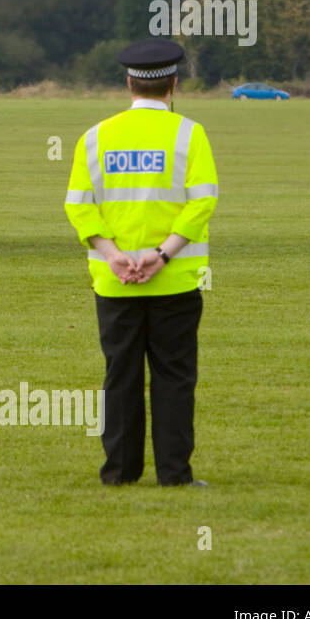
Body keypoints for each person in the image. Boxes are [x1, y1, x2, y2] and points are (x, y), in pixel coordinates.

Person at [64, 38, 218, 487]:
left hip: (114, 284)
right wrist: (161, 255)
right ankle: (175, 475)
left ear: (128, 83)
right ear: (174, 84)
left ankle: (119, 472)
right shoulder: (190, 134)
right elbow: (201, 203)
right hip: (174, 280)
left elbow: (79, 206)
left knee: (120, 377)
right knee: (174, 378)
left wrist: (114, 256)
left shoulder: (95, 137)